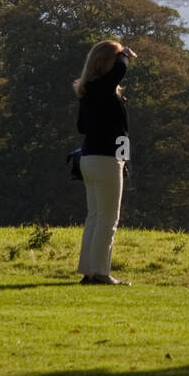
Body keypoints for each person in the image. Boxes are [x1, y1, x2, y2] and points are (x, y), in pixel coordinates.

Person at [73, 39, 137, 285]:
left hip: (89, 157)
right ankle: (101, 273)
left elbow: (81, 126)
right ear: (108, 63)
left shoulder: (89, 91)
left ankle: (89, 271)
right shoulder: (102, 88)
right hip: (106, 158)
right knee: (108, 219)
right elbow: (120, 69)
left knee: (95, 216)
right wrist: (124, 54)